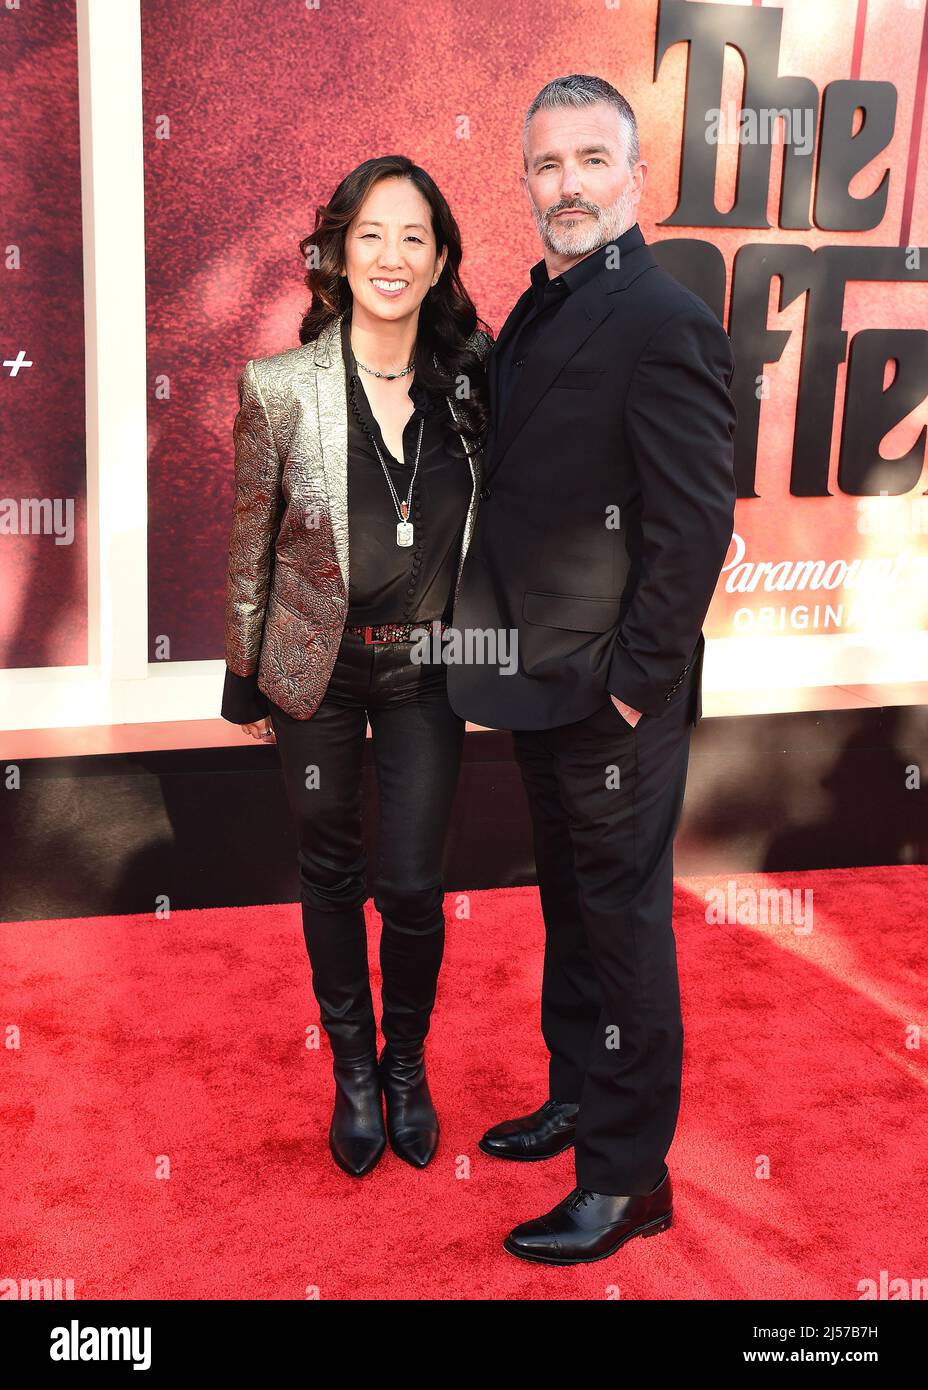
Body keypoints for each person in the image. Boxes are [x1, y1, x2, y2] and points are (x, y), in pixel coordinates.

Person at [446, 75, 737, 1263]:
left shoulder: (662, 318)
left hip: (613, 692)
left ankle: (627, 1178)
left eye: (588, 161)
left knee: (620, 925)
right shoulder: (549, 304)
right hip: (537, 672)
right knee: (572, 904)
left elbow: (694, 521)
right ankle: (578, 1095)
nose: (564, 184)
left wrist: (634, 679)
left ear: (635, 179)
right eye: (544, 165)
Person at [221, 155, 491, 1177]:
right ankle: (353, 1073)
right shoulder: (279, 387)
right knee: (330, 869)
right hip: (315, 673)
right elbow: (250, 538)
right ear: (335, 250)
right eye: (370, 233)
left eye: (413, 236)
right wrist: (244, 679)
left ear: (439, 259)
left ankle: (407, 1063)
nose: (390, 254)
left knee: (413, 883)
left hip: (429, 669)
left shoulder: (474, 381)